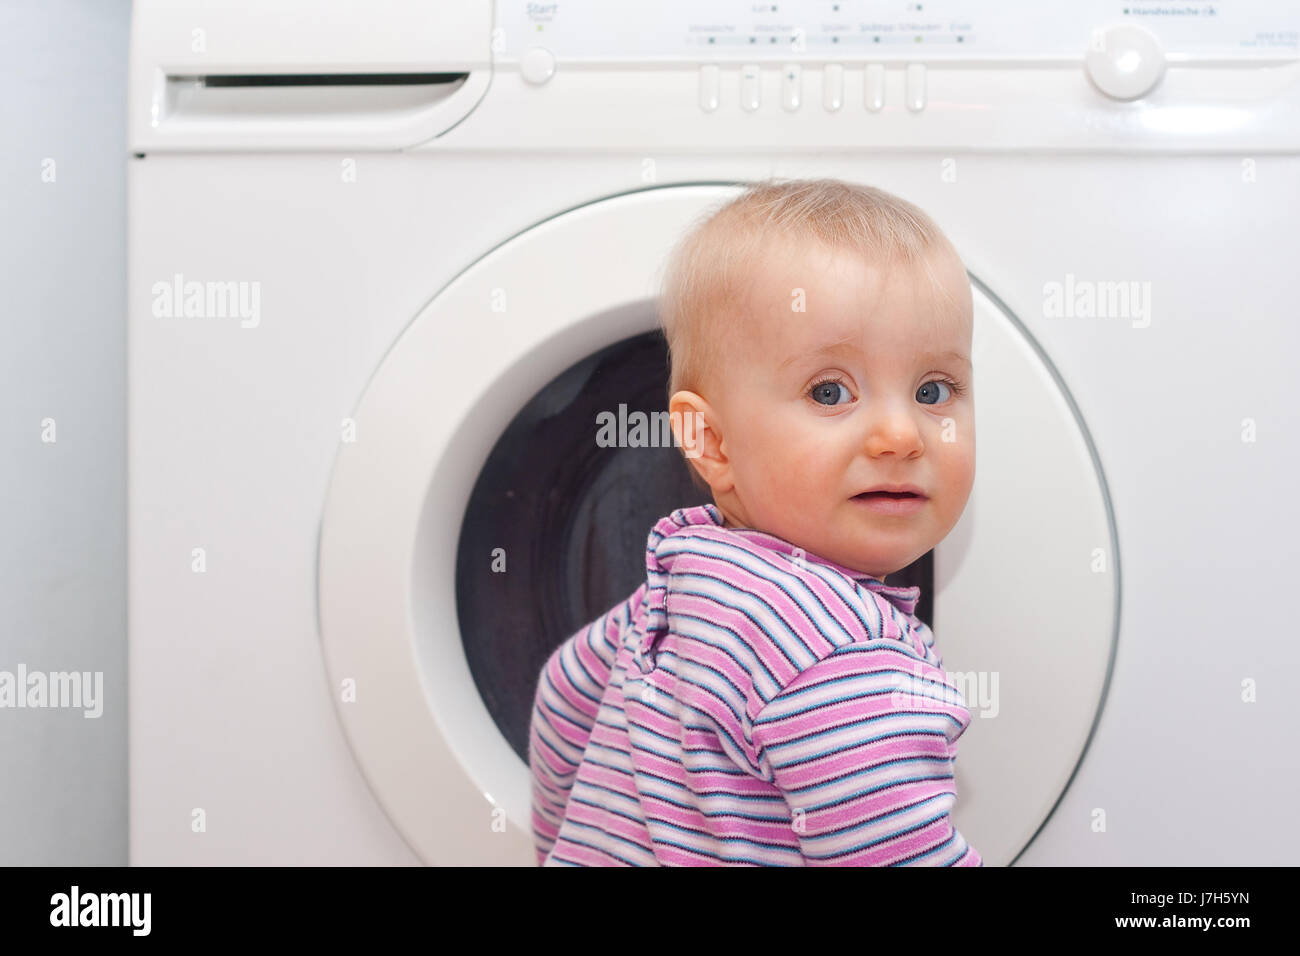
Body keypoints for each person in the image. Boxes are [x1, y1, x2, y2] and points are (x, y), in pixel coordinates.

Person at [528, 177, 981, 866]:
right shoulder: (843, 655)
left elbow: (565, 687)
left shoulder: (684, 575)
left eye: (932, 390)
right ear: (712, 442)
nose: (901, 434)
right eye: (830, 391)